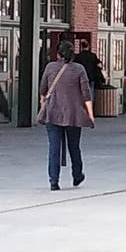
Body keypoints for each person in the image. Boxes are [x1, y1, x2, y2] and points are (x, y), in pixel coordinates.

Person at [39, 40, 94, 191]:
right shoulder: (79, 69)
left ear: (58, 54)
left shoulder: (50, 67)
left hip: (52, 113)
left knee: (54, 147)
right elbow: (86, 93)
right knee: (74, 146)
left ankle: (53, 181)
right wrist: (90, 114)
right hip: (74, 114)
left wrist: (43, 102)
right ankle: (77, 175)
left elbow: (42, 89)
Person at [74, 38, 104, 103]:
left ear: (81, 47)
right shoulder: (93, 56)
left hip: (81, 78)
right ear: (88, 47)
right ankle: (89, 108)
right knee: (90, 94)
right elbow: (99, 65)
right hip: (91, 78)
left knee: (81, 93)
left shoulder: (78, 56)